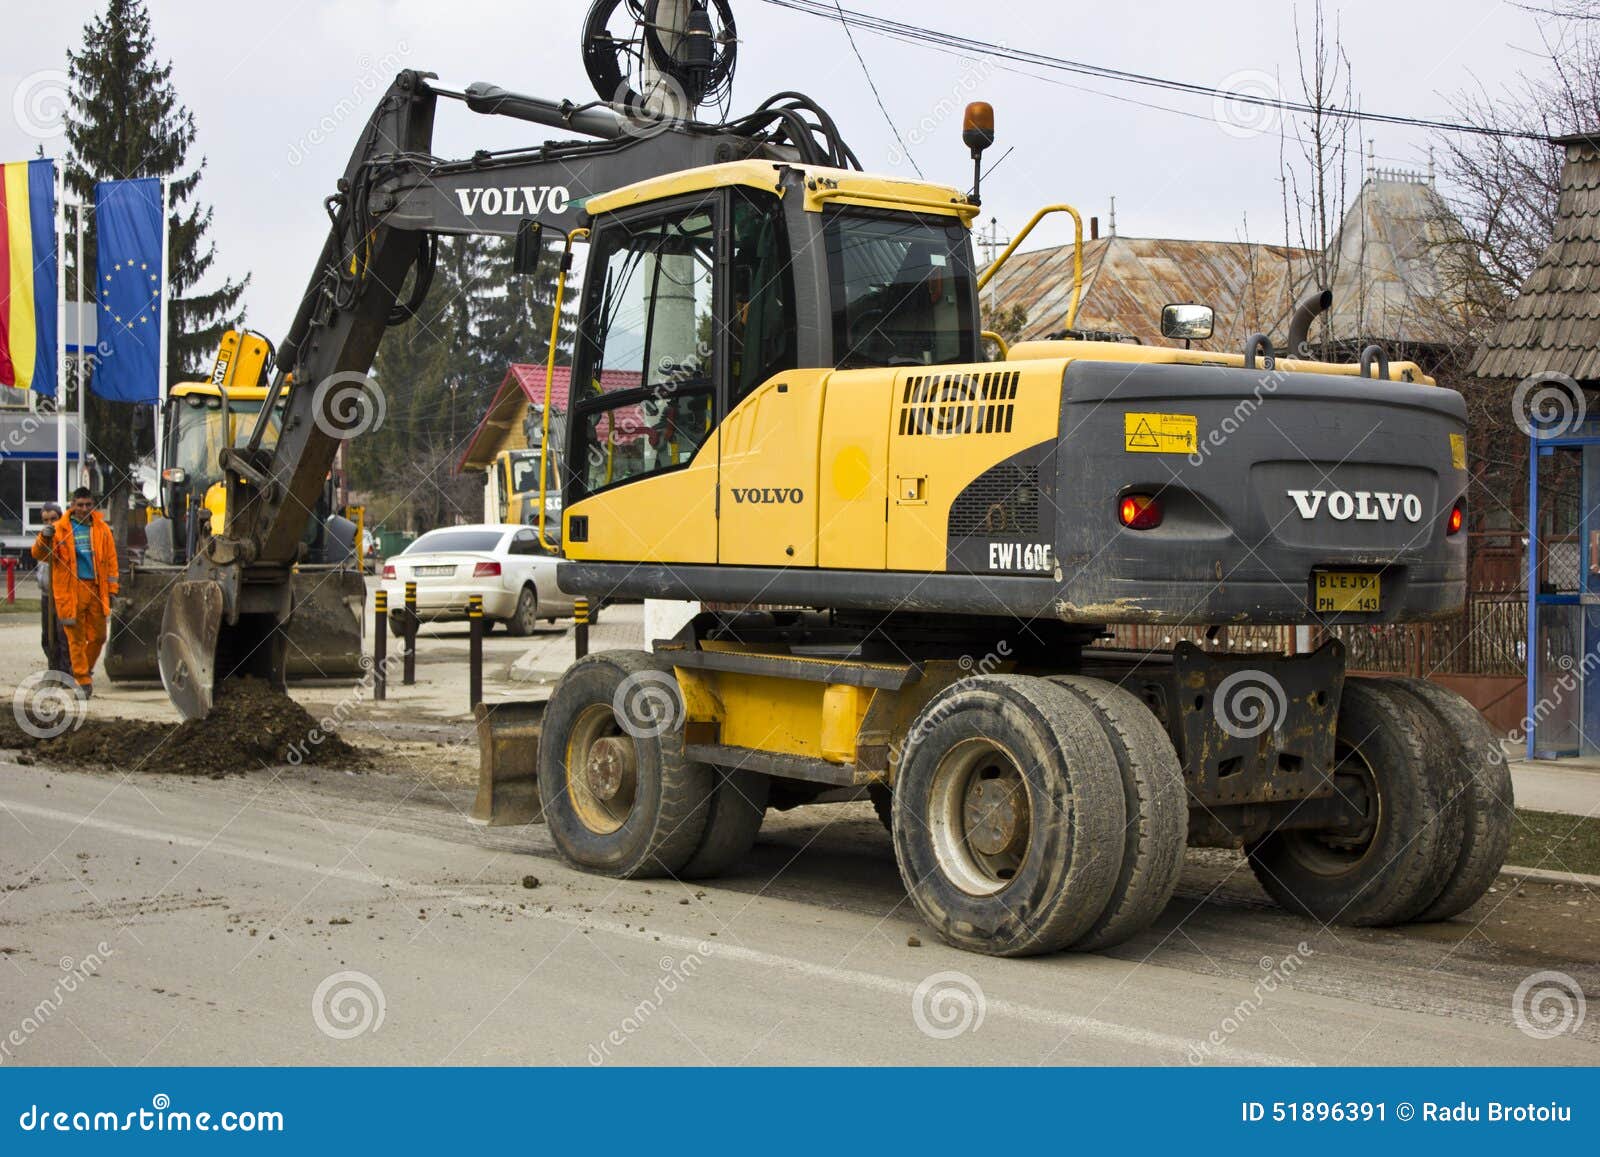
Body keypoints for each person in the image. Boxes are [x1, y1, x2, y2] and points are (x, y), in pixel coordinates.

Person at [31, 488, 119, 698]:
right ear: (72, 505)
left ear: (93, 505)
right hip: (71, 592)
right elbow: (39, 554)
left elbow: (112, 562)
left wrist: (113, 590)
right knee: (76, 639)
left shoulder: (102, 530)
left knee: (99, 636)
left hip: (96, 589)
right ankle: (82, 681)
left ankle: (82, 672)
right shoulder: (59, 529)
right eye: (80, 505)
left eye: (88, 504)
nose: (84, 509)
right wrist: (44, 537)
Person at [33, 501, 70, 674]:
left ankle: (66, 670)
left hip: (63, 595)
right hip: (47, 595)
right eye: (45, 520)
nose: (49, 523)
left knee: (63, 635)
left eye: (53, 519)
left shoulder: (65, 536)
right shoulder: (42, 538)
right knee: (47, 637)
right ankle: (54, 668)